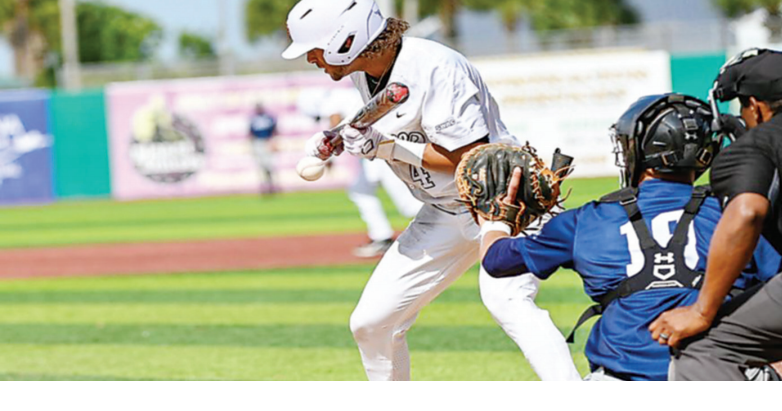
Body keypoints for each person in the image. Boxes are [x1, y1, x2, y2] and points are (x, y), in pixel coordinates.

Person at [283, 0, 580, 381]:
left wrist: (385, 146)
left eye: (315, 48)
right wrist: (338, 138)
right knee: (371, 323)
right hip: (441, 209)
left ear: (347, 40)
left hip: (503, 203)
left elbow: (472, 157)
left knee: (507, 302)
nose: (311, 58)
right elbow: (379, 117)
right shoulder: (363, 70)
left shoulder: (436, 66)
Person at [479, 93, 781, 381]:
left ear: (639, 151)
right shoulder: (735, 217)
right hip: (717, 371)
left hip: (622, 372)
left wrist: (495, 222)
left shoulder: (587, 220)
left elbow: (497, 261)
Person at [649, 48, 782, 381]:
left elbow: (748, 211)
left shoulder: (756, 144)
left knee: (702, 347)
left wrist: (702, 311)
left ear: (755, 106)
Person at [321, 88, 423, 258]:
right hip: (380, 145)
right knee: (361, 190)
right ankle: (381, 235)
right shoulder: (354, 91)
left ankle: (454, 226)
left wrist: (329, 154)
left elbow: (335, 120)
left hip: (378, 149)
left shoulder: (333, 96)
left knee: (408, 204)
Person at [249, 104, 278, 195]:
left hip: (267, 141)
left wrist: (273, 141)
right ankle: (264, 187)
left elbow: (274, 130)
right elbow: (250, 133)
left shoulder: (268, 118)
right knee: (261, 166)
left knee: (269, 165)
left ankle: (272, 186)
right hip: (258, 142)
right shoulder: (253, 119)